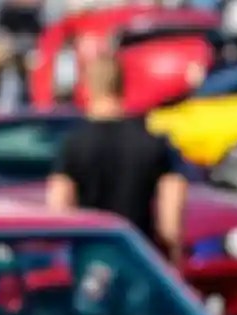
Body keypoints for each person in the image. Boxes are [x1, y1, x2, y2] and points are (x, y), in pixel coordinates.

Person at [45, 53, 188, 267]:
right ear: (122, 86)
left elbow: (59, 206)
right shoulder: (152, 142)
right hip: (139, 256)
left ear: (87, 88)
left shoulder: (73, 145)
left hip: (92, 258)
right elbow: (171, 222)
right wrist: (173, 261)